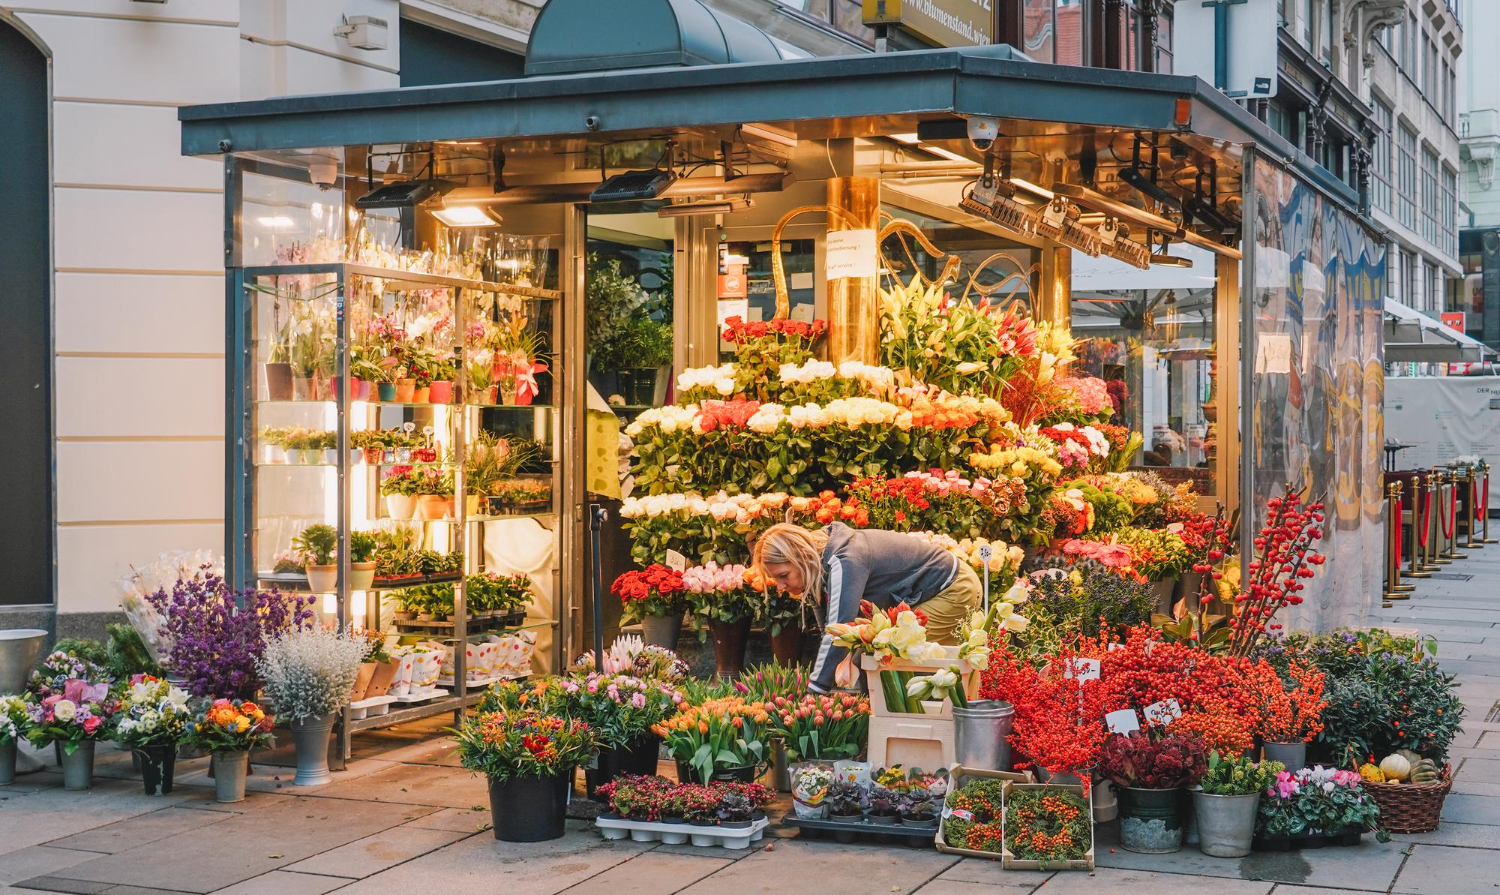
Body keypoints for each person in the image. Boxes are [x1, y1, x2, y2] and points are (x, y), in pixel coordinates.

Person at [751, 521, 981, 693]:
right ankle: (882, 724)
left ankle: (907, 729)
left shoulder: (845, 560)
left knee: (888, 658)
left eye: (783, 576)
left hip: (952, 589)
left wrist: (815, 692)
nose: (781, 586)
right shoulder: (815, 566)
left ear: (801, 557)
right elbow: (831, 633)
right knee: (869, 659)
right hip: (926, 592)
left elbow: (839, 627)